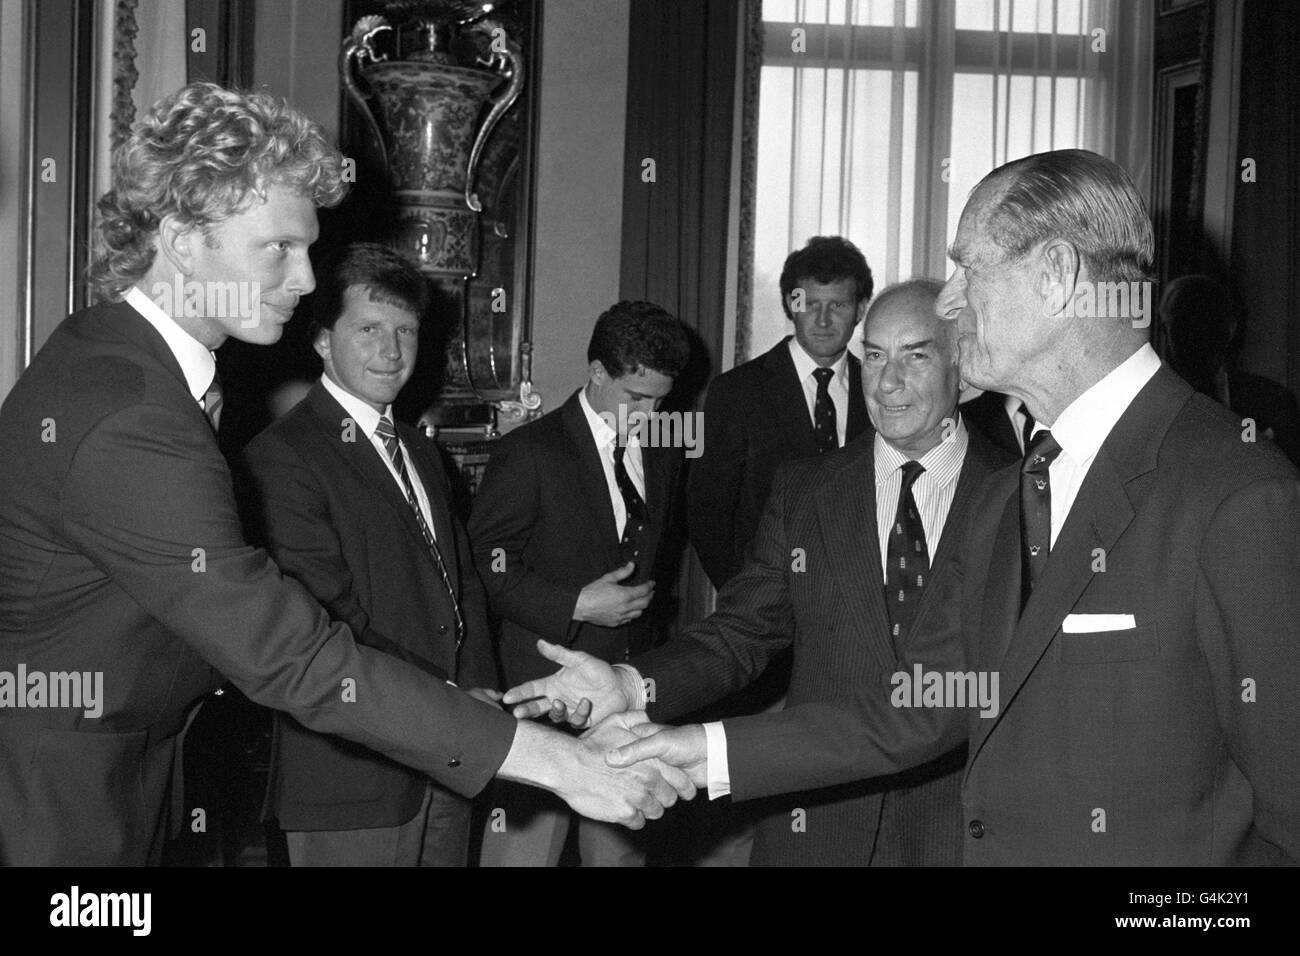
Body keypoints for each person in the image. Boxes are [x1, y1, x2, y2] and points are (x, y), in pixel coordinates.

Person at [520, 149, 1300, 866]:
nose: (952, 303)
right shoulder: (1011, 496)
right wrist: (701, 748)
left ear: (1057, 275)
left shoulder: (1236, 489)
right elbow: (915, 708)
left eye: (969, 272)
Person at [0, 82, 690, 866]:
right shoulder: (129, 409)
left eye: (308, 249)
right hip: (53, 797)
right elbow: (290, 651)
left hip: (112, 767)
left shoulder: (123, 360)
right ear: (184, 241)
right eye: (279, 249)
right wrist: (561, 763)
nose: (303, 279)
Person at [505, 280, 1013, 865]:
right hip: (818, 820)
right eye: (873, 355)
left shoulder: (1017, 495)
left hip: (962, 822)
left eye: (916, 356)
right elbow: (743, 630)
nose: (887, 381)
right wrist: (630, 684)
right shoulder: (808, 488)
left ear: (965, 370)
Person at [239, 243, 501, 866]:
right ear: (324, 341)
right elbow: (324, 616)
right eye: (369, 329)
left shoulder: (420, 449)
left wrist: (479, 695)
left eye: (406, 330)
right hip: (351, 768)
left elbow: (460, 588)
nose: (391, 350)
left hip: (451, 758)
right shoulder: (284, 456)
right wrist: (448, 699)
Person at [470, 301, 691, 866]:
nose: (648, 414)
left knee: (619, 857)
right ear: (596, 372)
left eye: (660, 400)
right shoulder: (530, 451)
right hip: (542, 695)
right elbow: (483, 561)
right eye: (635, 397)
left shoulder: (664, 448)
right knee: (522, 859)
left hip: (630, 691)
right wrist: (575, 604)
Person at [688, 235, 872, 590]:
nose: (822, 320)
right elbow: (707, 512)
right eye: (809, 304)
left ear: (861, 309)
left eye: (837, 305)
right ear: (791, 304)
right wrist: (744, 597)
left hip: (856, 603)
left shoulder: (879, 389)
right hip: (766, 608)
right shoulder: (736, 392)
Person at [1161, 273, 1300, 468]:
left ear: (1229, 329)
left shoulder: (1275, 405)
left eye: (1205, 322)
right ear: (1166, 331)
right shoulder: (1144, 405)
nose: (1194, 337)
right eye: (1182, 324)